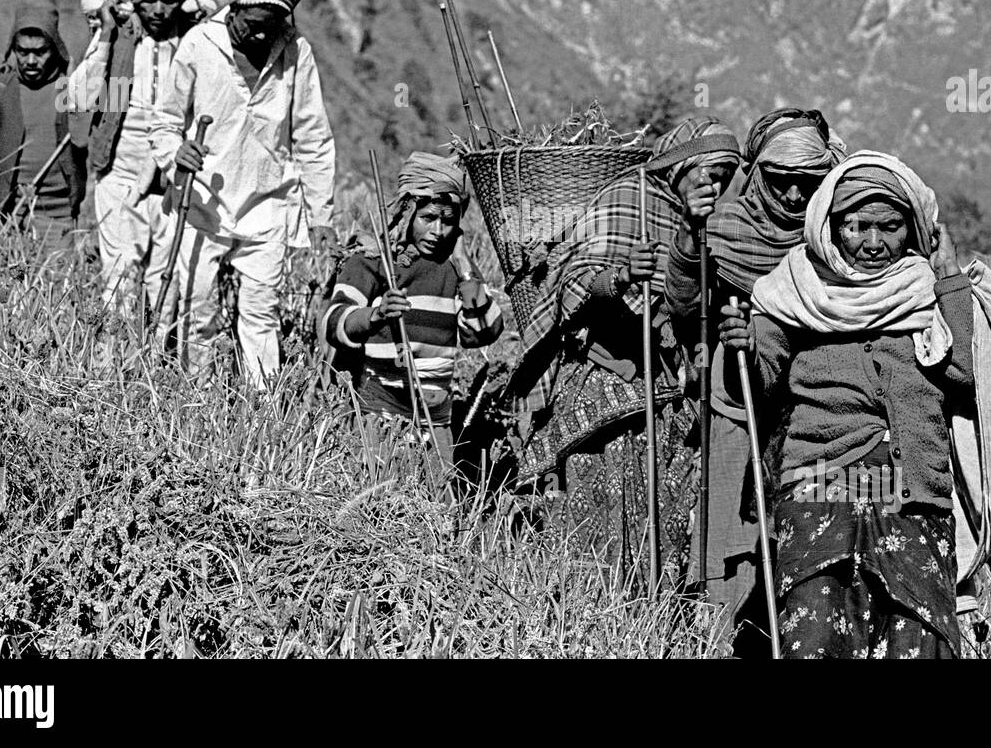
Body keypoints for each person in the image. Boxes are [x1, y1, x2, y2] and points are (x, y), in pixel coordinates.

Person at [718, 150, 991, 659]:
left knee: (916, 633)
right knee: (814, 627)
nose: (874, 243)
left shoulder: (930, 292)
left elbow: (965, 375)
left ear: (916, 231)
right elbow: (759, 382)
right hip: (820, 479)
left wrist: (946, 274)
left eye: (891, 227)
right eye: (857, 226)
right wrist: (742, 349)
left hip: (912, 486)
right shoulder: (793, 292)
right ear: (831, 227)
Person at [506, 116, 740, 580]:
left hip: (670, 398)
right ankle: (582, 618)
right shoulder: (624, 199)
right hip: (606, 382)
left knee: (663, 525)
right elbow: (570, 286)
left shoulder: (709, 231)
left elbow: (692, 310)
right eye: (708, 173)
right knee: (595, 521)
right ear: (680, 166)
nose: (716, 185)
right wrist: (620, 277)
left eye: (725, 178)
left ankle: (648, 627)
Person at [664, 107, 844, 644]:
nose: (792, 196)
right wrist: (689, 235)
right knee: (731, 538)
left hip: (813, 407)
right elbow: (683, 308)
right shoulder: (723, 230)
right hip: (737, 404)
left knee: (807, 533)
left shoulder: (834, 236)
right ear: (757, 173)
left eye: (806, 184)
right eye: (780, 181)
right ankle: (719, 638)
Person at [150, 0, 337, 389]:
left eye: (270, 25)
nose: (259, 32)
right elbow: (164, 121)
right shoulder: (198, 45)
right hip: (202, 203)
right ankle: (197, 397)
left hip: (268, 204)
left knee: (261, 316)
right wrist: (176, 153)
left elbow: (312, 138)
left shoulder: (295, 52)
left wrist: (321, 214)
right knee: (197, 311)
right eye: (250, 21)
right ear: (231, 9)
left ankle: (263, 409)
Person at [317, 153, 504, 473]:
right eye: (429, 217)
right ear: (406, 211)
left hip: (436, 427)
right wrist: (374, 315)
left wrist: (465, 268)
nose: (438, 230)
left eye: (448, 221)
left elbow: (484, 332)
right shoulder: (372, 260)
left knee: (438, 515)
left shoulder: (453, 270)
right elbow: (333, 321)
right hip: (378, 421)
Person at [68, 0, 206, 329]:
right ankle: (117, 363)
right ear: (135, 2)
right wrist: (106, 34)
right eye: (149, 1)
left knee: (167, 273)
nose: (159, 11)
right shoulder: (119, 40)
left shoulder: (194, 42)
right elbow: (80, 97)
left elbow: (205, 4)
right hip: (117, 172)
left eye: (170, 0)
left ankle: (155, 360)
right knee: (119, 273)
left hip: (171, 180)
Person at [0, 4, 86, 249]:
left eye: (40, 52)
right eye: (22, 52)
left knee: (55, 285)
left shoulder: (72, 88)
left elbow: (117, 100)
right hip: (8, 213)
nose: (30, 61)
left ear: (55, 48)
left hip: (58, 216)